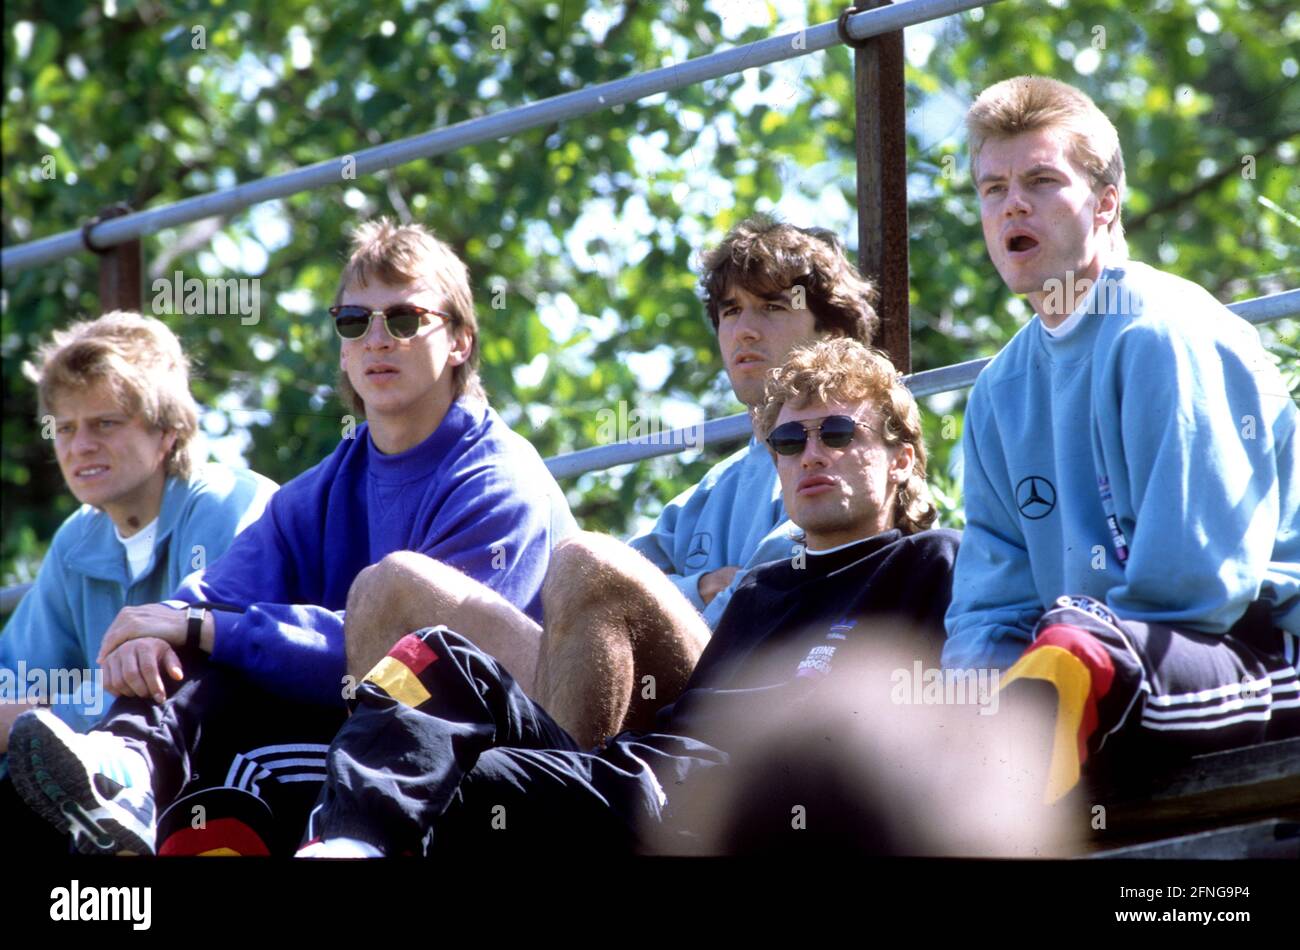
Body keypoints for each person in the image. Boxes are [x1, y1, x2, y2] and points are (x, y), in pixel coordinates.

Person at [7, 218, 577, 854]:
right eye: (354, 322)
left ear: (460, 341)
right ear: (340, 346)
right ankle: (127, 773)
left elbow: (425, 667)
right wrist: (154, 624)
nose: (377, 339)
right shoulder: (325, 484)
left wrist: (202, 626)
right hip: (362, 728)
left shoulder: (497, 478)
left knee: (227, 678)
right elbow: (214, 596)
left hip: (483, 745)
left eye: (406, 319)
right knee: (192, 642)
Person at [297, 337, 961, 856]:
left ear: (901, 458)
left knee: (473, 783)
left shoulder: (930, 561)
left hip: (712, 807)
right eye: (789, 440)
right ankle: (347, 841)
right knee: (435, 658)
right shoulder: (765, 586)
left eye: (838, 433)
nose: (810, 454)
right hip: (635, 773)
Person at [341, 214, 882, 750]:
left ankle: (561, 805)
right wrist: (701, 586)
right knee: (387, 588)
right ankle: (375, 816)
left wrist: (683, 590)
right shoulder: (718, 484)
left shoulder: (847, 452)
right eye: (730, 310)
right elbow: (604, 600)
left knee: (587, 562)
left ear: (831, 331)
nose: (743, 329)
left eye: (771, 306)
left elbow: (767, 602)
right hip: (639, 700)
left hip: (734, 718)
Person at [942, 75, 1300, 802]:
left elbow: (1198, 589)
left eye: (1042, 180)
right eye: (992, 188)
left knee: (1073, 662)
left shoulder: (1165, 333)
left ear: (1105, 202)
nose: (1012, 203)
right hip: (1093, 663)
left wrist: (1077, 645)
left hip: (1255, 647)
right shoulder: (997, 392)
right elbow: (988, 604)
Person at [0, 311, 276, 767]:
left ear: (167, 431)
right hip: (118, 769)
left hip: (236, 770)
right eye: (65, 428)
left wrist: (41, 720)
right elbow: (17, 674)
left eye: (105, 423)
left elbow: (187, 670)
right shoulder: (77, 539)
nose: (79, 445)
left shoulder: (226, 501)